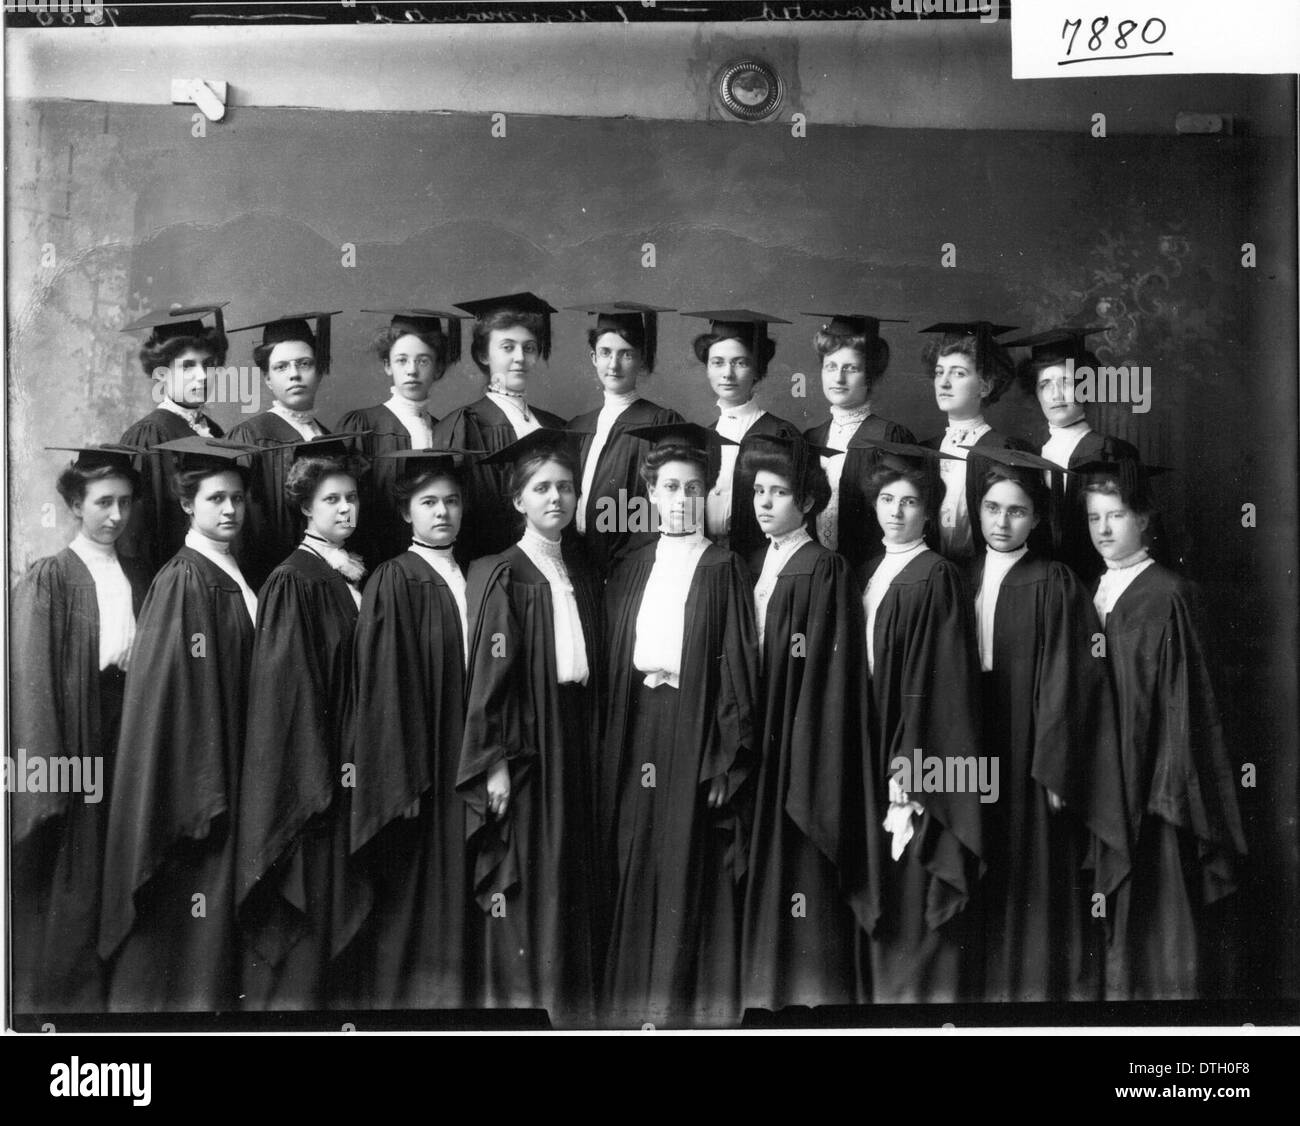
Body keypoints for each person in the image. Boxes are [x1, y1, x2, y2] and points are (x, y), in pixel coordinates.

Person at [99, 436, 263, 1012]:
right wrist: (204, 786)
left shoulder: (232, 571)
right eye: (216, 498)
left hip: (234, 763)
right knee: (191, 915)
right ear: (189, 504)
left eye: (238, 499)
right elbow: (173, 699)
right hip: (200, 781)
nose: (230, 510)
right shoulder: (185, 579)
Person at [602, 422, 758, 1028]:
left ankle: (682, 1004)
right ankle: (629, 1003)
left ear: (708, 492)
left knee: (687, 852)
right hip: (640, 721)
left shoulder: (724, 567)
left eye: (694, 488)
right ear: (650, 492)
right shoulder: (633, 563)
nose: (681, 500)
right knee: (636, 847)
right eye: (670, 487)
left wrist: (725, 754)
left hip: (694, 726)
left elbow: (737, 670)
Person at [970, 446, 1130, 1002]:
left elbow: (1070, 680)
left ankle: (1039, 999)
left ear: (1036, 519)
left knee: (1033, 870)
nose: (1001, 521)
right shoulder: (958, 577)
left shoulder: (1055, 581)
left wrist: (1057, 767)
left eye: (1016, 511)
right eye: (992, 508)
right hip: (973, 742)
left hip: (1032, 745)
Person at [1083, 463, 1247, 1000]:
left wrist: (1164, 785)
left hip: (1155, 785)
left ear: (1144, 518)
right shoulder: (1094, 591)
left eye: (1117, 515)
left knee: (1160, 916)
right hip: (1104, 774)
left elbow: (1191, 704)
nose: (1104, 529)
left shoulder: (1169, 594)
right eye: (1094, 518)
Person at [457, 430, 602, 1023]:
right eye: (541, 488)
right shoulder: (503, 573)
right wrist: (492, 762)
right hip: (526, 745)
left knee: (570, 876)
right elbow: (490, 680)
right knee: (530, 877)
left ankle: (568, 1014)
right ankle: (525, 1014)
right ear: (518, 499)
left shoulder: (580, 569)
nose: (556, 498)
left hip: (576, 733)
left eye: (565, 487)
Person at [737, 434, 878, 1012]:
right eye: (758, 492)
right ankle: (765, 1000)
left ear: (810, 502)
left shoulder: (825, 568)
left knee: (799, 863)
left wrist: (800, 744)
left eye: (779, 492)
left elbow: (827, 676)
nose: (764, 503)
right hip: (760, 729)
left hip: (799, 740)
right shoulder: (752, 564)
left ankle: (809, 1000)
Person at [10, 445, 150, 1013]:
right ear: (75, 504)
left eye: (124, 503)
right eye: (102, 503)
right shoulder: (51, 577)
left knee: (121, 860)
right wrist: (51, 770)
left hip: (127, 724)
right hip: (77, 731)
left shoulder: (138, 573)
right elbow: (32, 680)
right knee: (76, 868)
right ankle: (65, 1004)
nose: (116, 515)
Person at [236, 437, 372, 1010]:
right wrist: (322, 779)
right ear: (306, 509)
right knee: (310, 926)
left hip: (350, 766)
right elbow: (289, 695)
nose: (345, 509)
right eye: (332, 500)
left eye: (352, 498)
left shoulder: (351, 574)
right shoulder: (295, 579)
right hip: (317, 777)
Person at [347, 448, 480, 1010]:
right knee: (418, 892)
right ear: (406, 513)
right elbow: (383, 688)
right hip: (421, 763)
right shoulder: (394, 579)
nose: (442, 512)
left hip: (468, 749)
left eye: (451, 501)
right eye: (428, 502)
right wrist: (401, 778)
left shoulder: (476, 573)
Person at [855, 439, 985, 1003]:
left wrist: (913, 761)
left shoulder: (937, 576)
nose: (896, 511)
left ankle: (919, 1005)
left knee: (912, 871)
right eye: (887, 499)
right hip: (868, 733)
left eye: (909, 502)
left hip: (912, 744)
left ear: (929, 511)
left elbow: (943, 684)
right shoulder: (866, 570)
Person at [430, 293, 566, 561]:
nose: (520, 358)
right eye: (507, 347)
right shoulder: (464, 426)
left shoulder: (554, 426)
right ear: (483, 354)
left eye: (529, 348)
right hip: (494, 567)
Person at [1004, 325, 1143, 581]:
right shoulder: (1028, 458)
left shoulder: (1110, 451)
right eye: (1045, 384)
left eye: (1066, 382)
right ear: (1035, 392)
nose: (1056, 394)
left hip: (1096, 582)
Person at [336, 309, 462, 567]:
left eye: (423, 361)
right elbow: (342, 499)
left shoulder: (446, 431)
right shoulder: (362, 427)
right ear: (387, 365)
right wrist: (345, 548)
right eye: (402, 360)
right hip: (375, 562)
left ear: (438, 367)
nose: (412, 370)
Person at [566, 303, 684, 572]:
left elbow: (663, 508)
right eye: (606, 352)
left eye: (626, 354)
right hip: (580, 563)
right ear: (593, 357)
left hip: (631, 565)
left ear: (642, 358)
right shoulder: (577, 426)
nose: (614, 364)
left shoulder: (660, 423)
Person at [227, 311, 339, 589]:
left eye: (304, 364)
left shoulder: (331, 439)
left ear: (320, 369)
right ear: (266, 379)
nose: (294, 375)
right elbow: (243, 536)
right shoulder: (250, 437)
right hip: (272, 581)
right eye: (281, 367)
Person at [800, 312, 916, 569]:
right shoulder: (811, 438)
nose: (838, 378)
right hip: (817, 573)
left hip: (870, 570)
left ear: (870, 375)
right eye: (831, 367)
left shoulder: (890, 437)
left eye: (850, 368)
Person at [681, 309, 799, 561]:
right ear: (707, 368)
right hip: (706, 558)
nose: (727, 373)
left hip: (760, 561)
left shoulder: (780, 433)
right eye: (718, 362)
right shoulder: (703, 435)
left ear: (758, 369)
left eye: (741, 362)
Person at [119, 303, 229, 572]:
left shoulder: (215, 432)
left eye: (208, 365)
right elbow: (141, 537)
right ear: (162, 373)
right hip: (171, 577)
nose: (202, 376)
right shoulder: (150, 436)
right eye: (188, 366)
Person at [918, 321, 1030, 564]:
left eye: (958, 373)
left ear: (985, 386)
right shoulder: (925, 450)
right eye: (939, 372)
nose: (944, 383)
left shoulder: (1003, 450)